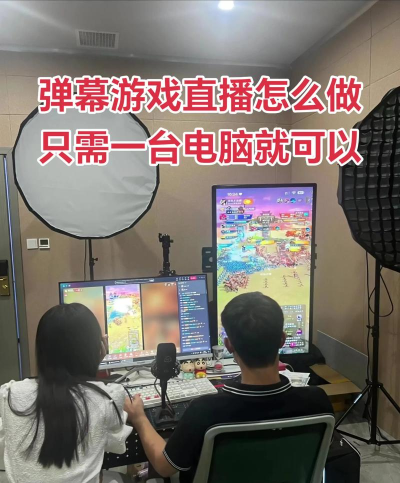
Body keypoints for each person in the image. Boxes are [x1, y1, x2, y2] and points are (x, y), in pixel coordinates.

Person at [125, 292, 333, 483]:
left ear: (228, 345)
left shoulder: (205, 411)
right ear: (282, 340)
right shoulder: (317, 401)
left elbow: (163, 467)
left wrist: (140, 418)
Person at [0, 303, 132, 483]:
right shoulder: (107, 398)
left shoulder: (10, 394)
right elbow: (115, 444)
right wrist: (94, 364)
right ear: (97, 348)